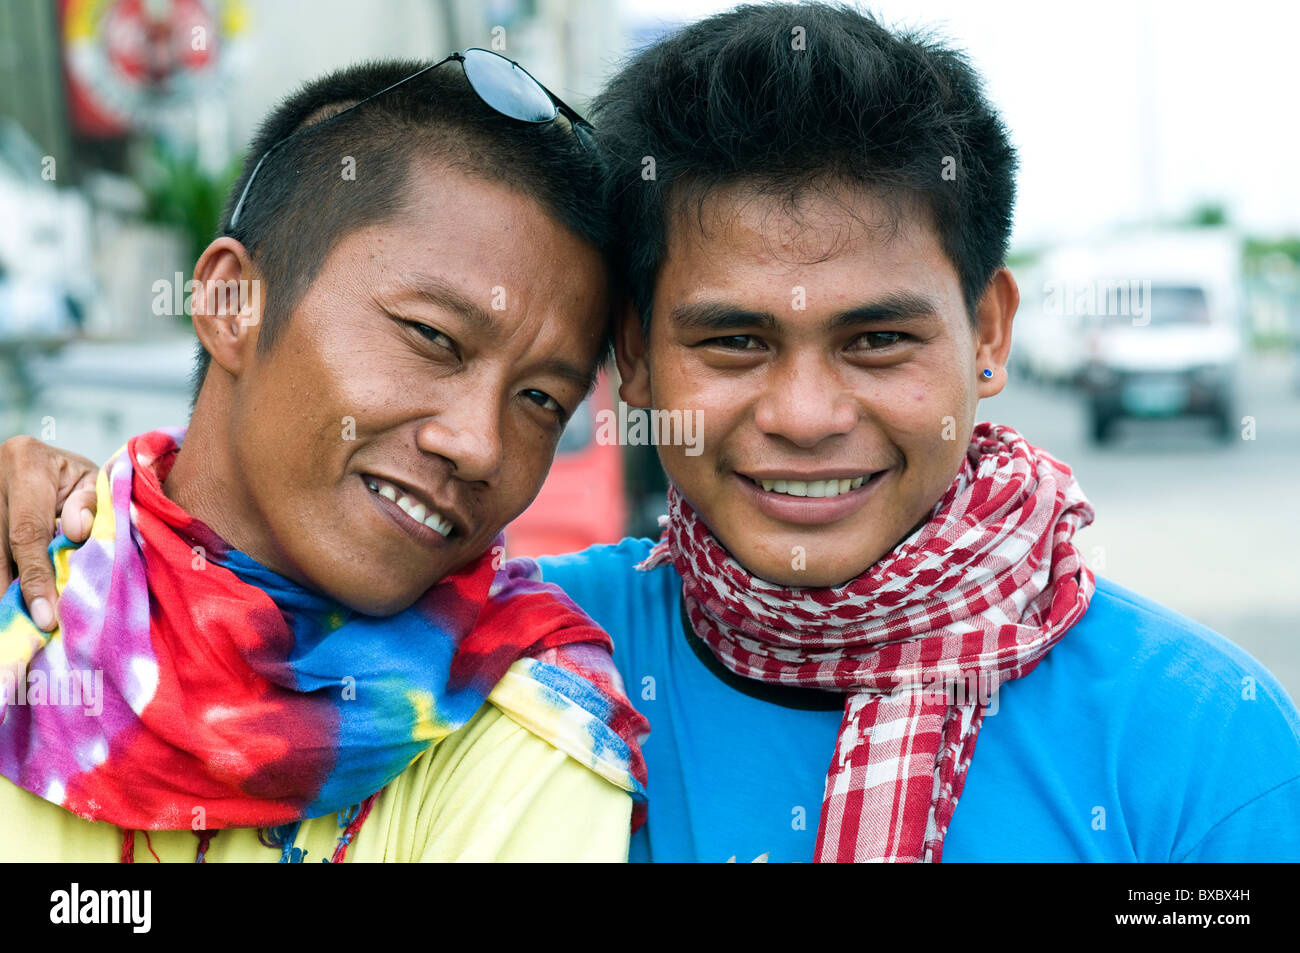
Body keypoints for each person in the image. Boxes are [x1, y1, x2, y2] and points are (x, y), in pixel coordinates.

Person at [8, 3, 1300, 863]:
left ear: (992, 333)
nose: (803, 416)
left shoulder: (1201, 739)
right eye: (733, 342)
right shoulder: (503, 654)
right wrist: (66, 498)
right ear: (633, 363)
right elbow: (215, 594)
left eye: (879, 340)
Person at [0, 53, 647, 862]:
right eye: (433, 338)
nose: (480, 445)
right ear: (233, 303)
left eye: (542, 401)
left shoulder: (536, 728)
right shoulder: (25, 593)